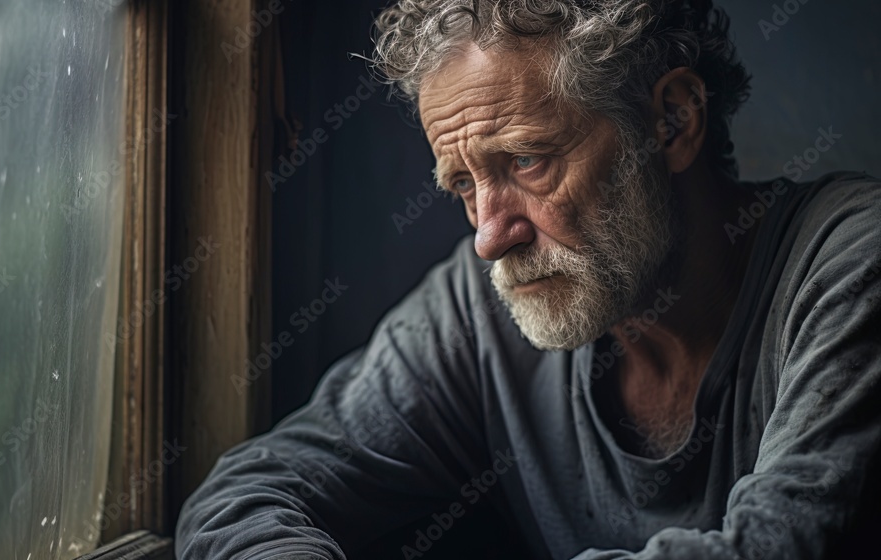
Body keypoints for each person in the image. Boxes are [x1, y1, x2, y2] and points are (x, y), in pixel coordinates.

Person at [176, 1, 881, 558]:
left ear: (672, 119)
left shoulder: (852, 264)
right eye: (461, 184)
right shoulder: (483, 308)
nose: (489, 237)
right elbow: (247, 492)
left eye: (526, 162)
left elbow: (785, 545)